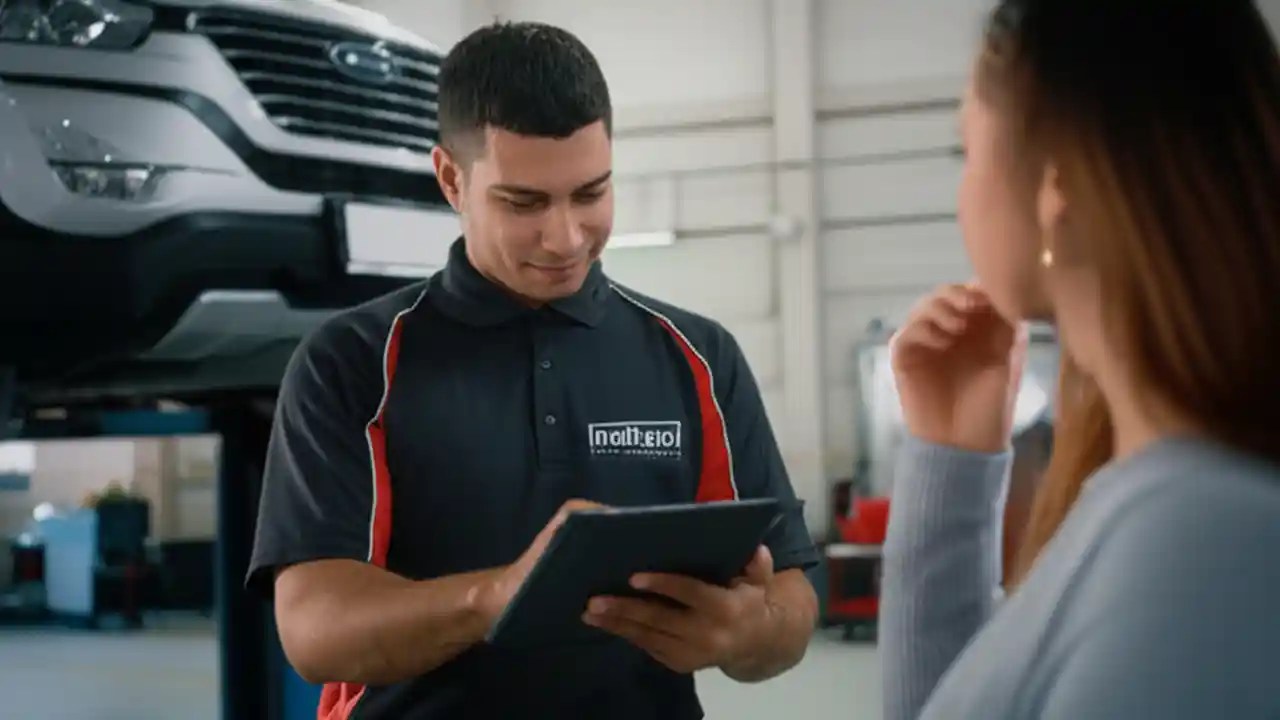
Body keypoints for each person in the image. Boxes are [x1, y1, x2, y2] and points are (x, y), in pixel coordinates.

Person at [246, 21, 819, 720]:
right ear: (451, 179)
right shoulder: (353, 361)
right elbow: (313, 629)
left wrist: (747, 633)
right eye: (525, 203)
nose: (566, 237)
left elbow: (791, 596)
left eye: (591, 193)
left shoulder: (698, 355)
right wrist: (496, 596)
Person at [879, 1, 1280, 718]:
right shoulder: (1150, 504)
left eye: (966, 153)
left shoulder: (1199, 546)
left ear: (1057, 187)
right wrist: (950, 459)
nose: (963, 192)